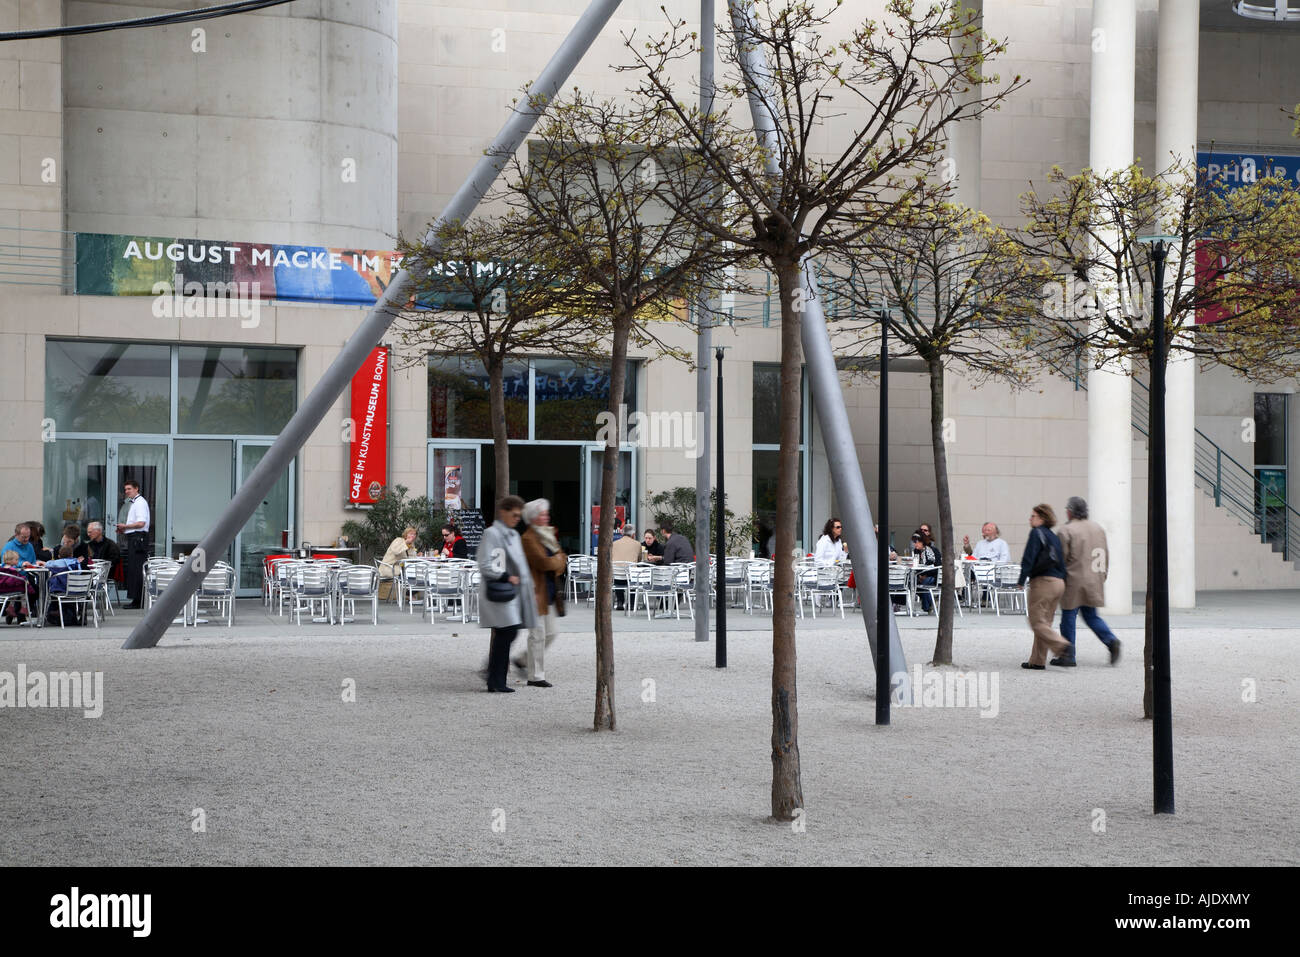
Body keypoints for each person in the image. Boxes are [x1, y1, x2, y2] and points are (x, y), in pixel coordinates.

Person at [477, 495, 536, 693]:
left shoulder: (510, 534)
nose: (517, 518)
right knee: (508, 632)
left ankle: (495, 678)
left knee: (507, 633)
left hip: (508, 592)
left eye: (519, 515)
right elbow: (487, 562)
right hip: (501, 592)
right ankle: (494, 679)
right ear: (504, 512)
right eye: (514, 514)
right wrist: (505, 576)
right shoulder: (493, 534)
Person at [1054, 496, 1122, 667]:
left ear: (1069, 511)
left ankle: (1068, 654)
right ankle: (1111, 640)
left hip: (1074, 580)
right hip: (1095, 578)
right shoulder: (1098, 528)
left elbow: (1061, 558)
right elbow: (1106, 554)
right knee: (1091, 616)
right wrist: (1102, 575)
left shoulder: (1066, 530)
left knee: (1068, 617)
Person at [1016, 503, 1074, 670]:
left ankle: (1062, 646)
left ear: (1041, 518)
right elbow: (1062, 561)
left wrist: (1021, 580)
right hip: (1058, 583)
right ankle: (1037, 661)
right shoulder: (1053, 536)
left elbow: (1029, 558)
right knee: (1044, 623)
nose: (1030, 518)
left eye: (1033, 516)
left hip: (1043, 582)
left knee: (1036, 621)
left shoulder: (1037, 533)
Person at [518, 498, 567, 688]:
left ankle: (523, 660)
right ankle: (535, 676)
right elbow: (544, 562)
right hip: (535, 591)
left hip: (548, 592)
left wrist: (557, 561)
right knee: (537, 634)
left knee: (552, 633)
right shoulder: (528, 538)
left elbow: (562, 562)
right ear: (533, 518)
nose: (546, 517)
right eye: (542, 514)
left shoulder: (547, 535)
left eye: (546, 513)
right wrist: (557, 560)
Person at [114, 478, 151, 609]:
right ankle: (137, 599)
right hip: (135, 537)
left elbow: (141, 523)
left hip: (138, 538)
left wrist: (126, 526)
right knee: (134, 569)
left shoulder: (140, 503)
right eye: (125, 489)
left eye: (129, 489)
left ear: (136, 488)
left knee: (136, 569)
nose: (127, 491)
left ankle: (137, 600)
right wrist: (125, 528)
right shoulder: (135, 503)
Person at [379, 526, 417, 599]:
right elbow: (396, 551)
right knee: (411, 573)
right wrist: (406, 542)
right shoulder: (398, 540)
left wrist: (417, 555)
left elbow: (411, 558)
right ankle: (409, 594)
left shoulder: (411, 545)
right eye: (410, 534)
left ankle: (409, 593)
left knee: (418, 572)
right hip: (389, 567)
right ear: (406, 534)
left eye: (414, 534)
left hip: (401, 568)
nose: (412, 536)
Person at [0, 549, 34, 623]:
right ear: (11, 560)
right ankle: (24, 607)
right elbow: (17, 578)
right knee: (24, 590)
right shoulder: (12, 570)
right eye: (16, 559)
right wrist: (25, 579)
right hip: (10, 589)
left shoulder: (2, 568)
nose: (18, 561)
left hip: (2, 590)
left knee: (15, 590)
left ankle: (11, 606)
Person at [912, 528, 941, 613]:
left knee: (925, 583)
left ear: (923, 541)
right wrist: (920, 575)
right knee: (912, 583)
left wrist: (925, 575)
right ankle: (931, 604)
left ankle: (927, 607)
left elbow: (936, 567)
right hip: (922, 575)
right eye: (914, 542)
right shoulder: (916, 551)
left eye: (917, 542)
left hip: (934, 576)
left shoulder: (932, 550)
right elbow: (916, 565)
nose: (915, 544)